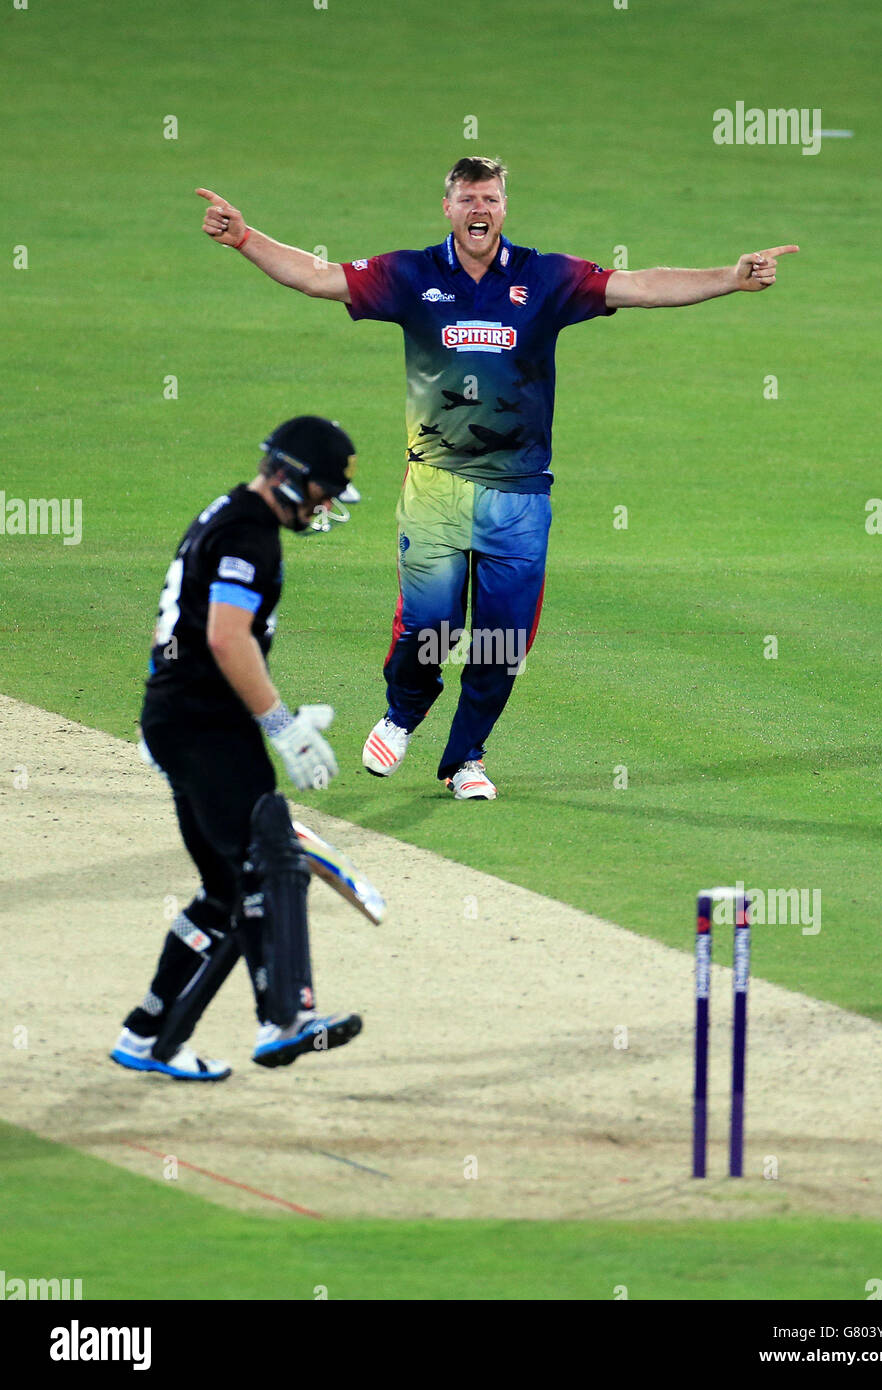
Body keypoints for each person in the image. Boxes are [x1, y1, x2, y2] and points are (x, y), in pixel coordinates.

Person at [195, 158, 797, 801]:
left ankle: (465, 760)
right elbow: (318, 277)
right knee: (431, 627)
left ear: (504, 207)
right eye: (466, 199)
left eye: (490, 198)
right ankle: (403, 713)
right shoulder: (409, 274)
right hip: (435, 486)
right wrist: (245, 238)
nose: (479, 209)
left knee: (504, 639)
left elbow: (641, 285)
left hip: (520, 493)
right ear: (448, 208)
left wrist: (730, 278)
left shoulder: (544, 277)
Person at [110, 417, 363, 1081]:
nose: (325, 504)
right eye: (321, 489)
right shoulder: (249, 531)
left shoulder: (230, 512)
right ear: (284, 473)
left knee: (224, 890)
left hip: (187, 716)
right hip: (203, 723)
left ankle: (147, 1037)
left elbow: (198, 630)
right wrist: (280, 724)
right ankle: (284, 1018)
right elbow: (225, 637)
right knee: (269, 857)